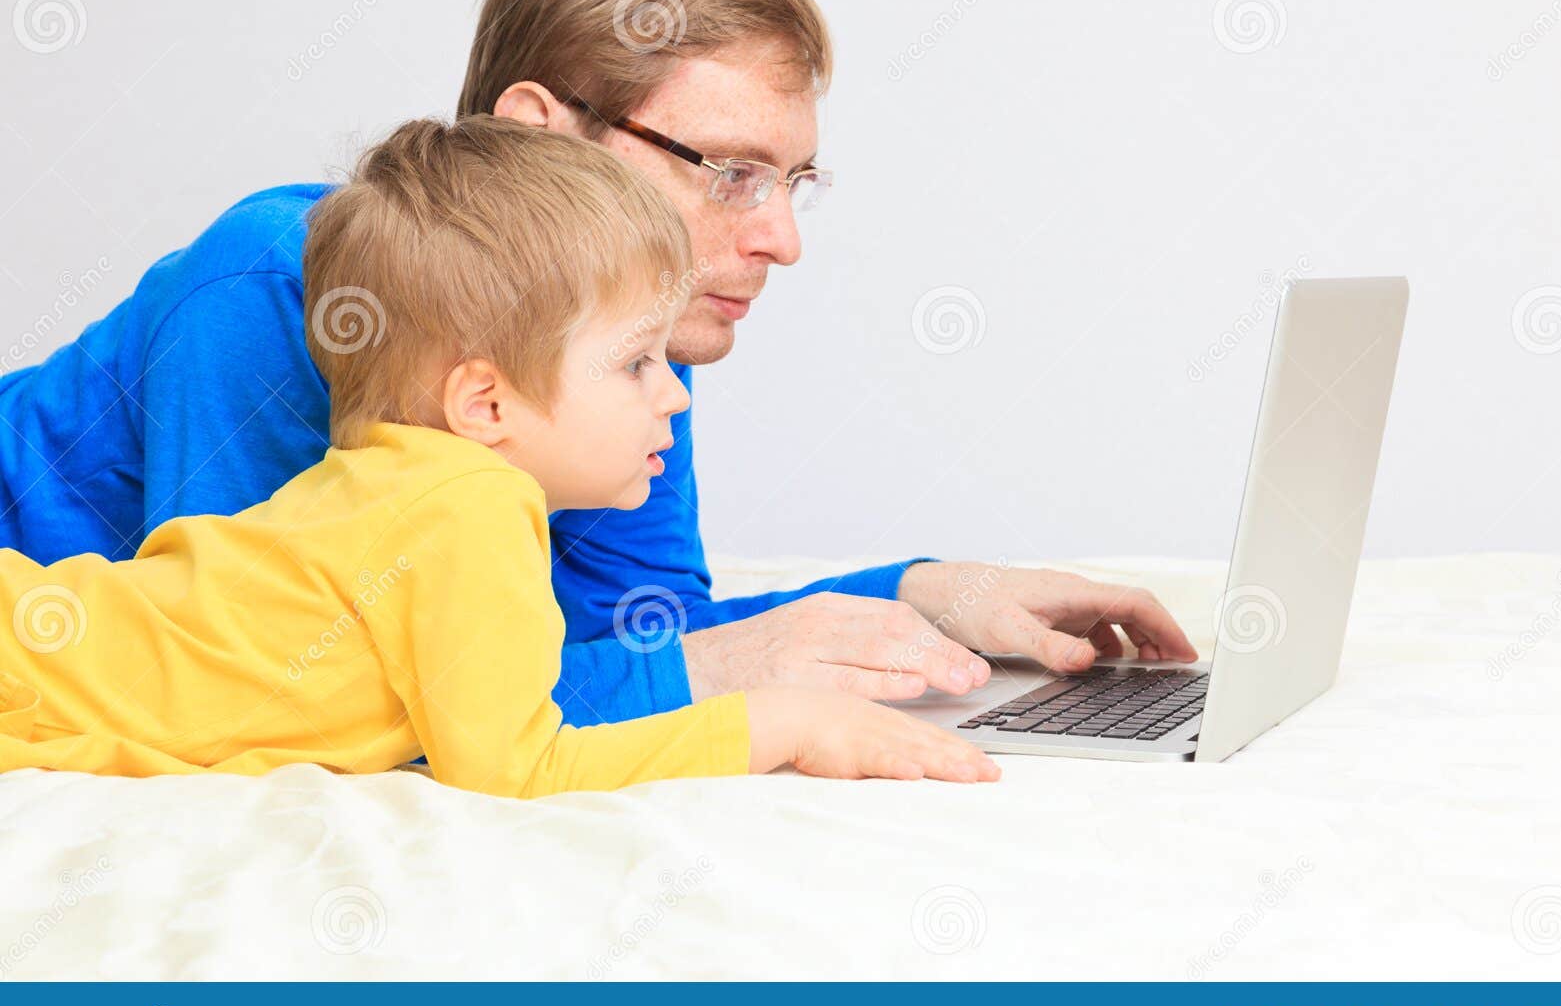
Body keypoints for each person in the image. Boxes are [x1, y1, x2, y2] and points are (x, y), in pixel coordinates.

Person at [0, 0, 1196, 732]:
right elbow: (261, 684)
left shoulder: (626, 337)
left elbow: (628, 633)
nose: (782, 240)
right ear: (540, 131)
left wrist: (930, 592)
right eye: (730, 170)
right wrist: (706, 674)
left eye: (794, 181)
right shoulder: (284, 287)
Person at [0, 116, 1001, 794]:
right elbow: (514, 764)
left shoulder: (383, 480)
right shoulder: (474, 504)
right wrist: (779, 724)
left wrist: (913, 586)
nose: (671, 394)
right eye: (637, 363)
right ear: (483, 399)